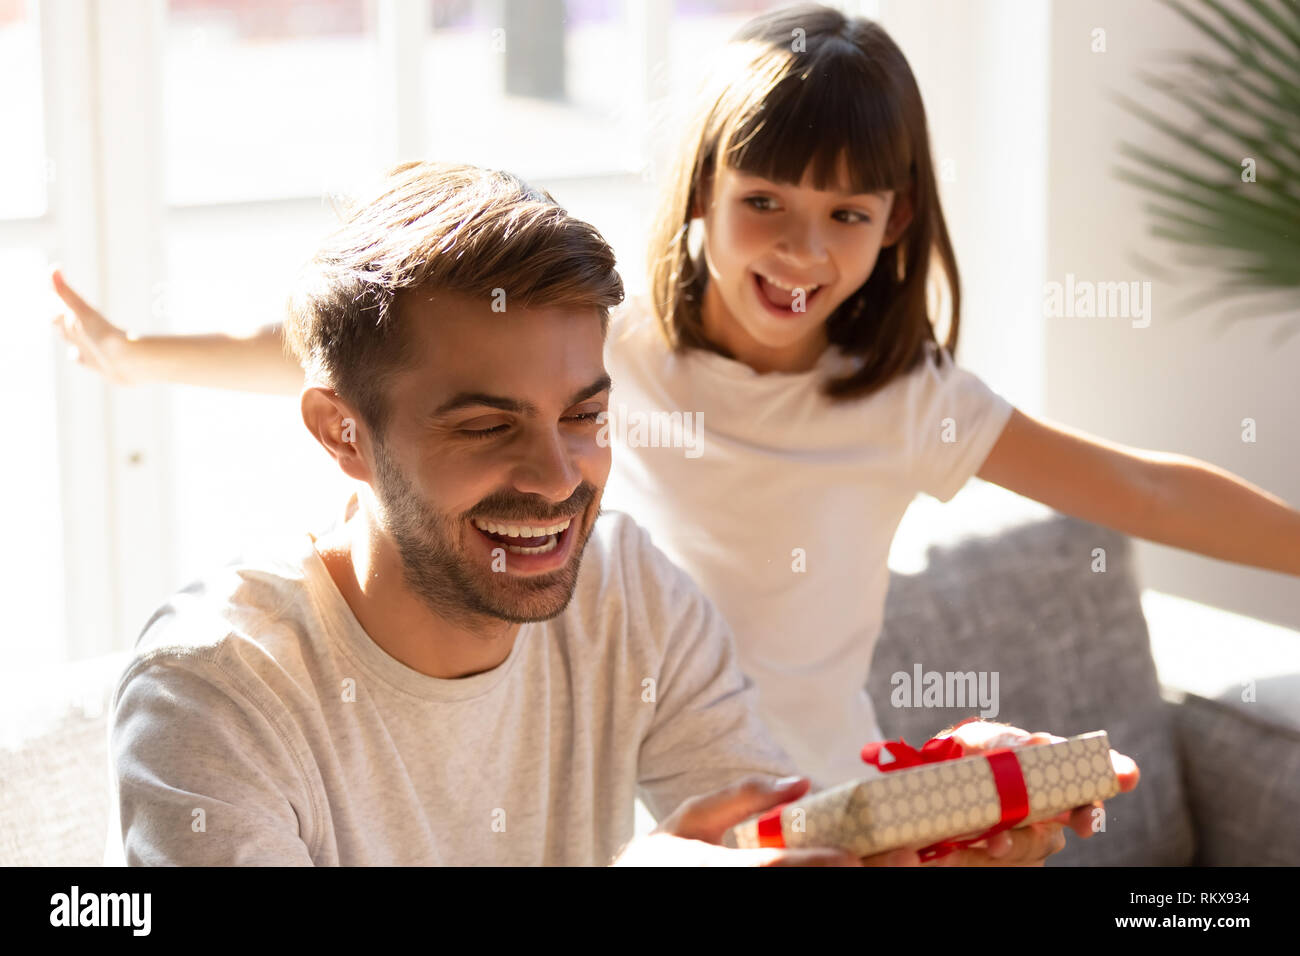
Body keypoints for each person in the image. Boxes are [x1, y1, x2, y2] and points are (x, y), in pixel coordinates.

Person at [57, 7, 1202, 798]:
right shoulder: (614, 344)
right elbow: (352, 346)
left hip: (820, 791)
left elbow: (1139, 483)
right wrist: (135, 352)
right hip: (627, 793)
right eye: (765, 201)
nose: (802, 250)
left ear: (897, 224)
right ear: (701, 187)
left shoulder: (905, 398)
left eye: (848, 215)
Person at [103, 160, 1133, 866]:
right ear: (342, 434)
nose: (555, 479)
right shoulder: (213, 692)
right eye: (485, 424)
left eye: (584, 414)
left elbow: (754, 829)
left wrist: (926, 810)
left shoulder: (623, 583)